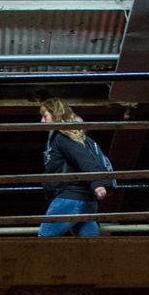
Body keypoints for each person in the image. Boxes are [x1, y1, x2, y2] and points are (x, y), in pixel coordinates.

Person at [38, 98, 115, 237]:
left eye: (45, 116)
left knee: (44, 241)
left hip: (70, 199)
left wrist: (97, 183)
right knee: (88, 248)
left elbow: (84, 159)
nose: (42, 121)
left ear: (55, 115)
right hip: (86, 200)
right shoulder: (71, 135)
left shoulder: (63, 137)